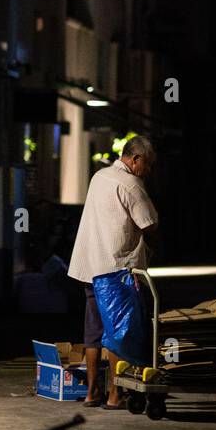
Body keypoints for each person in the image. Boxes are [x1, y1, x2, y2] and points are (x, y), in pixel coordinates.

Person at [67, 136, 158, 409]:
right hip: (115, 271)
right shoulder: (131, 184)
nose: (149, 171)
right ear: (135, 159)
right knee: (119, 332)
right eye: (148, 165)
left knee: (93, 333)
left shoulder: (99, 176)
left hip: (89, 268)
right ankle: (115, 395)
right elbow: (150, 224)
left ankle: (91, 393)